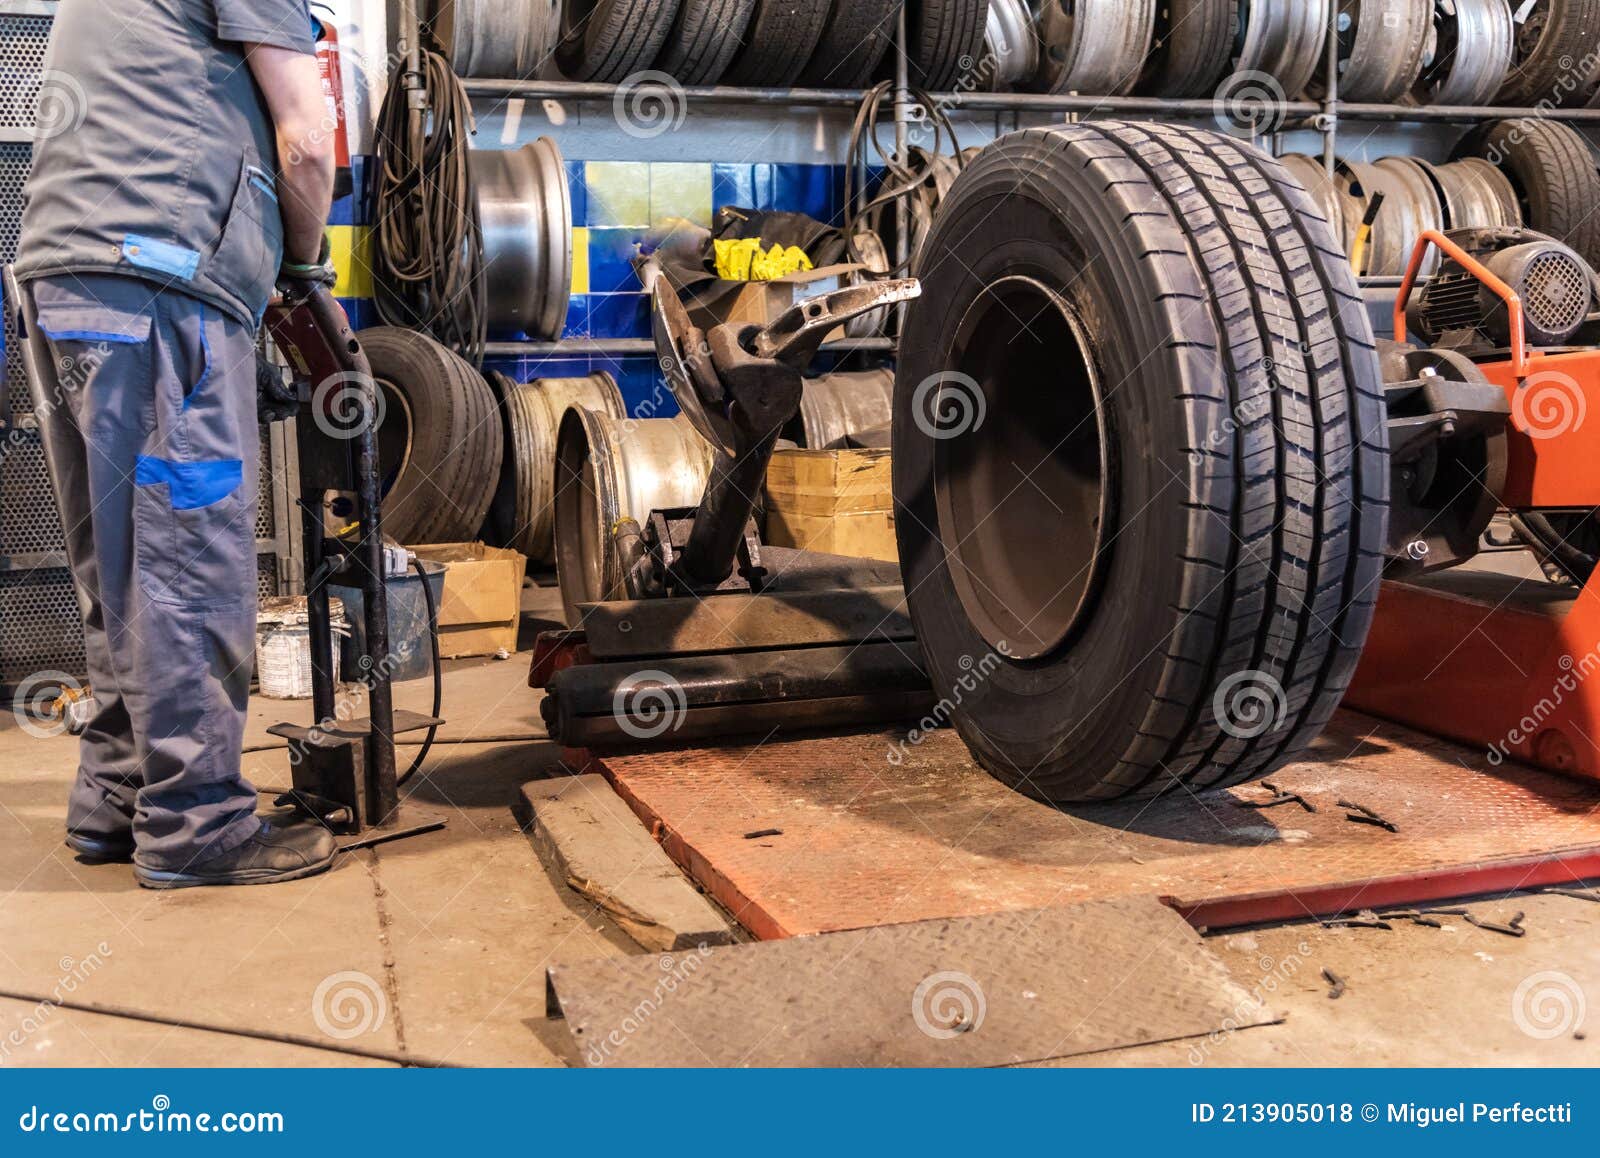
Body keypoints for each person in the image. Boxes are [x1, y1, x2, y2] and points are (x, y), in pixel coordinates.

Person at [15, 0, 340, 887]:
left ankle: (115, 799)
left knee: (121, 566)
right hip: (160, 277)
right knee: (189, 558)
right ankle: (197, 826)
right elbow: (307, 140)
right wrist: (303, 266)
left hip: (62, 280)